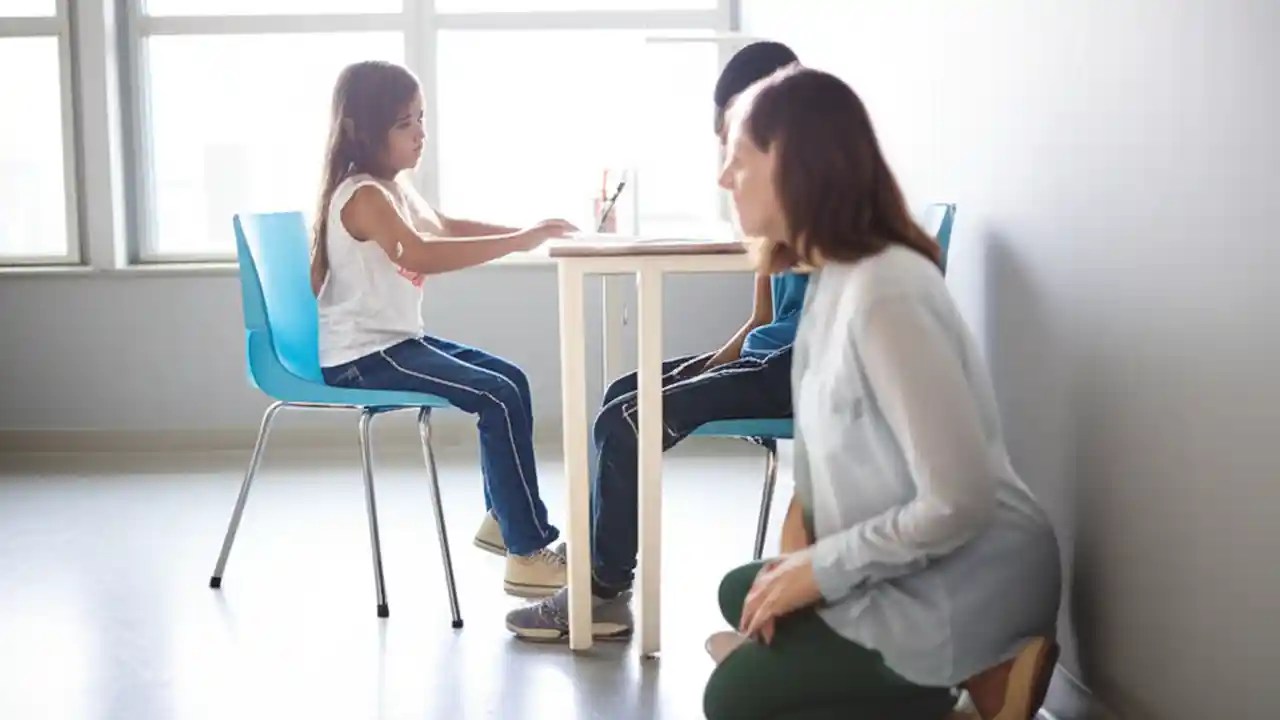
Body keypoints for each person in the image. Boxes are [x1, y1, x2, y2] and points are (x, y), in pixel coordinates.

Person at [702, 66, 1062, 720]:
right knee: (745, 594)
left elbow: (960, 500)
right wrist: (796, 572)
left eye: (738, 160)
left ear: (789, 163)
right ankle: (945, 685)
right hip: (916, 566)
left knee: (733, 700)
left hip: (977, 575)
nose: (725, 179)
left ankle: (986, 669)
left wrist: (815, 575)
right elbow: (828, 480)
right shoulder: (835, 283)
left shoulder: (887, 293)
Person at [504, 41, 807, 642]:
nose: (730, 166)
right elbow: (757, 326)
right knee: (626, 392)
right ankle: (602, 579)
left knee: (629, 421)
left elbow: (807, 344)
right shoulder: (776, 197)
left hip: (799, 370)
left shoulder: (816, 196)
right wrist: (698, 375)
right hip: (766, 358)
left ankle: (601, 595)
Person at [312, 60, 575, 598]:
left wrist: (531, 233)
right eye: (405, 123)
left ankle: (505, 520)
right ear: (365, 129)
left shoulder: (394, 189)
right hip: (362, 356)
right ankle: (527, 554)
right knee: (496, 396)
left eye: (422, 120)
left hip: (392, 342)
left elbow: (446, 227)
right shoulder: (362, 195)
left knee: (511, 380)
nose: (421, 134)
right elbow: (421, 252)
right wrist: (517, 243)